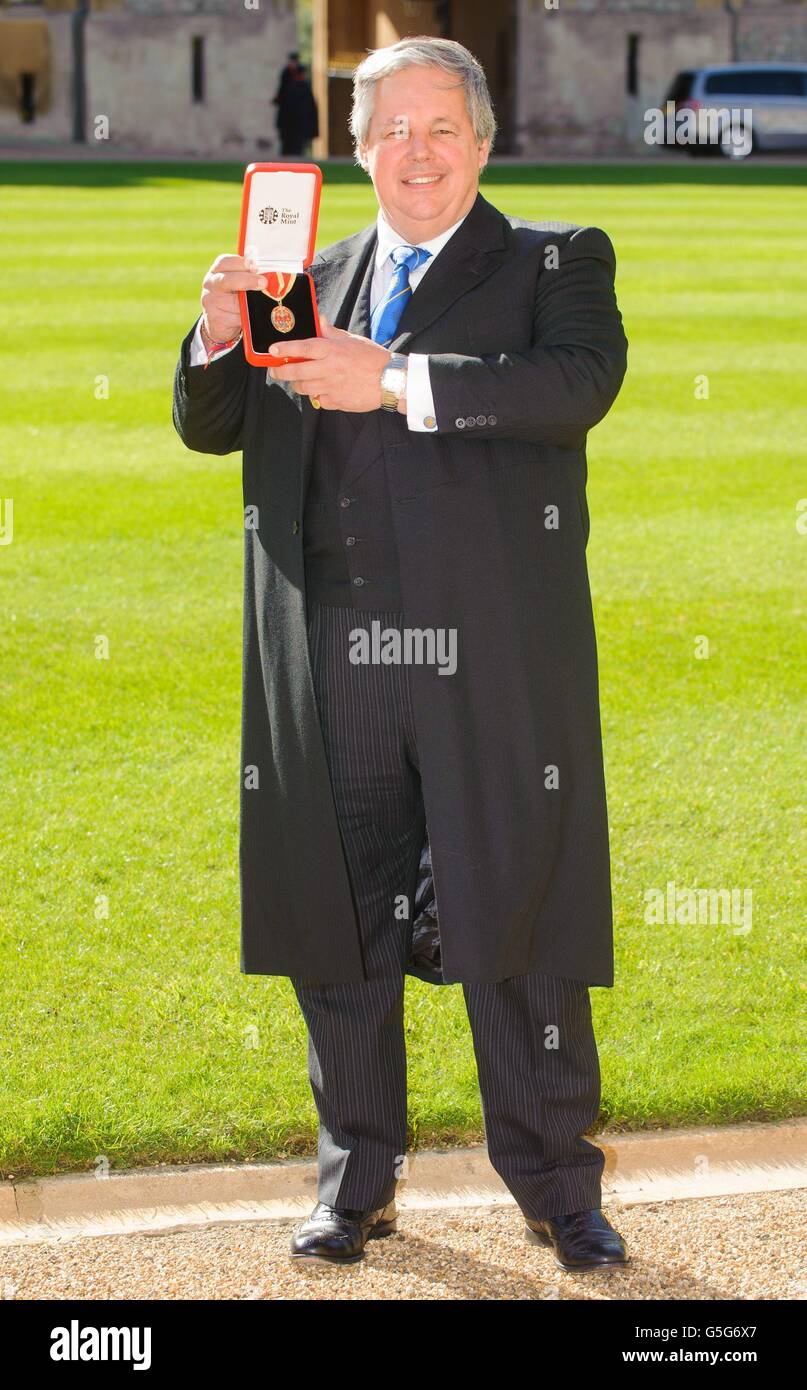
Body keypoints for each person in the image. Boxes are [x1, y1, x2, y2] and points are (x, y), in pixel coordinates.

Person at [172, 35, 630, 1273]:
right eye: (392, 131)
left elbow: (577, 383)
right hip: (336, 660)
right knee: (342, 926)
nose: (416, 152)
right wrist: (218, 336)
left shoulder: (555, 260)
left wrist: (397, 381)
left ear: (481, 142)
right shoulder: (304, 272)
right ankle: (354, 1182)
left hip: (493, 660)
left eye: (441, 128)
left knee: (517, 921)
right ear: (359, 148)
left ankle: (555, 1185)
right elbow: (213, 428)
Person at [273, 58, 319, 156]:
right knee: (291, 147)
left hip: (295, 122)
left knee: (294, 147)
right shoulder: (289, 81)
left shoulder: (297, 84)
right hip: (291, 122)